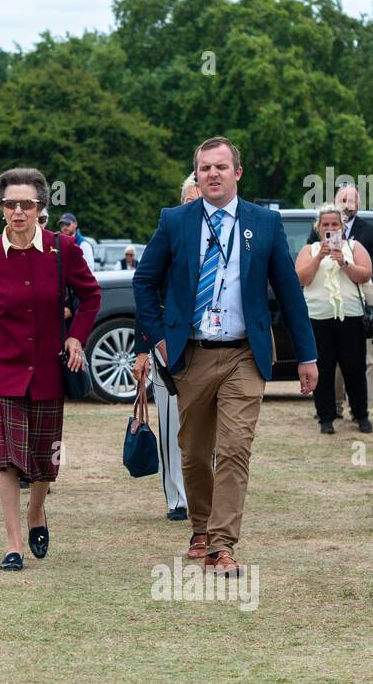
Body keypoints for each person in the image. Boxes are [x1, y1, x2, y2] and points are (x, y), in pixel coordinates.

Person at [134, 137, 319, 576]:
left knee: (234, 449)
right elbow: (145, 282)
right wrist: (158, 338)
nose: (212, 174)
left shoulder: (265, 224)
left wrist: (307, 356)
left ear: (238, 173)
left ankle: (222, 546)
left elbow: (290, 295)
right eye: (204, 168)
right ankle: (200, 527)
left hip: (244, 355)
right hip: (191, 354)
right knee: (194, 453)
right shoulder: (175, 221)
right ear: (195, 176)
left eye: (220, 166)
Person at [0, 167, 101, 571]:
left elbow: (91, 297)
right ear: (1, 209)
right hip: (4, 372)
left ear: (40, 208)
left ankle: (36, 512)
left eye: (25, 204)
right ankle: (13, 544)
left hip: (49, 370)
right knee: (8, 459)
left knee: (45, 461)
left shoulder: (63, 250)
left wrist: (76, 336)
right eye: (9, 204)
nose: (17, 211)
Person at [133, 174, 202, 523]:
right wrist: (146, 348)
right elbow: (145, 289)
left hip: (213, 345)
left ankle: (206, 492)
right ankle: (177, 496)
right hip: (169, 347)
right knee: (173, 421)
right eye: (190, 200)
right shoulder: (169, 232)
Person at [309, 184, 373, 418]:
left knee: (363, 361)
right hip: (325, 305)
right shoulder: (319, 232)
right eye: (342, 200)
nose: (346, 205)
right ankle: (331, 409)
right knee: (328, 364)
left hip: (359, 299)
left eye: (351, 200)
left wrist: (349, 258)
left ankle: (361, 410)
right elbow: (306, 260)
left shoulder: (370, 231)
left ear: (358, 204)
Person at [295, 203, 373, 434]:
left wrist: (344, 262)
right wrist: (319, 256)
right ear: (318, 228)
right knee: (322, 368)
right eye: (325, 225)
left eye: (335, 224)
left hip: (350, 316)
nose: (330, 228)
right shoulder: (308, 250)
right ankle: (326, 418)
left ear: (343, 226)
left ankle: (361, 415)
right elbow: (301, 279)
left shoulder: (353, 246)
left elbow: (365, 274)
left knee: (354, 367)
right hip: (318, 318)